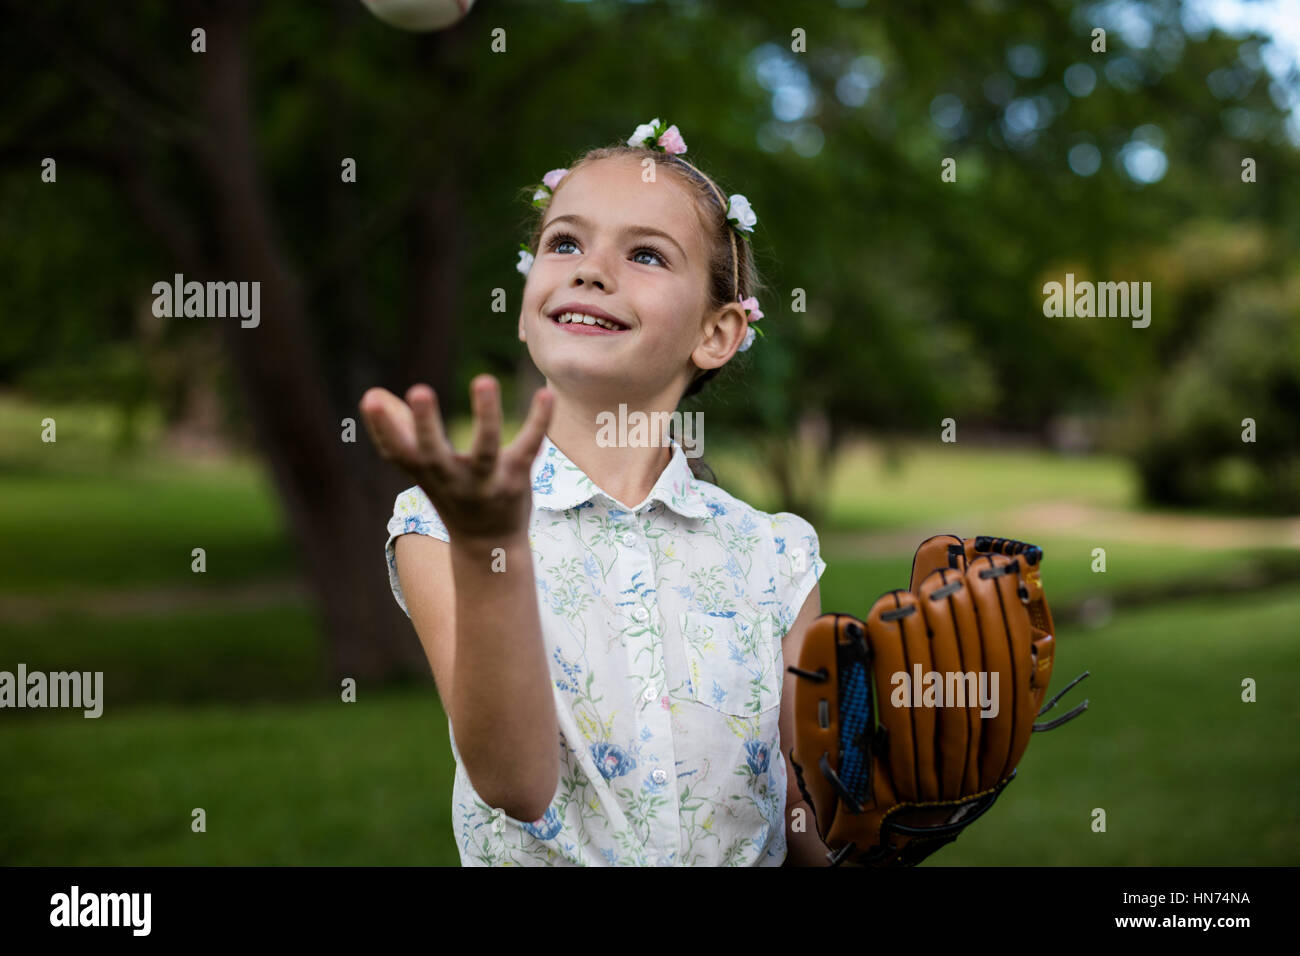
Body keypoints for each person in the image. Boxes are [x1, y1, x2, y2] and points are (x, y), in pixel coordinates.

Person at [358, 118, 829, 866]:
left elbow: (808, 827)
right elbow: (516, 782)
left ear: (718, 332)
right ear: (526, 302)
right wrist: (489, 545)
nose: (591, 269)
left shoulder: (777, 559)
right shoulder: (442, 529)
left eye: (645, 253)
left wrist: (892, 821)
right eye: (565, 243)